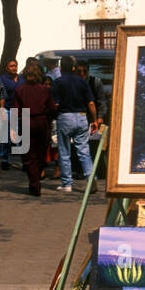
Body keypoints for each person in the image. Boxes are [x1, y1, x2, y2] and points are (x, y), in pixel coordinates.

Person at [50, 54, 96, 192]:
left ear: (61, 68)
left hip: (65, 116)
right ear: (74, 68)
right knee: (84, 151)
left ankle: (67, 184)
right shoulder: (82, 82)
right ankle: (90, 177)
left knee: (64, 151)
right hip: (82, 116)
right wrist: (94, 120)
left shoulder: (58, 82)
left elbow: (56, 104)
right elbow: (91, 103)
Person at [14, 61, 56, 196]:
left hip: (26, 119)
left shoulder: (19, 90)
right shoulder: (45, 90)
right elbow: (51, 108)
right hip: (41, 121)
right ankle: (36, 178)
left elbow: (15, 110)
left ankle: (34, 182)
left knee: (28, 154)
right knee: (41, 153)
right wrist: (48, 120)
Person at [0, 59, 21, 170]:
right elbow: (0, 95)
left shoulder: (21, 79)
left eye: (15, 66)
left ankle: (22, 159)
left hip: (19, 110)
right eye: (11, 66)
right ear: (7, 68)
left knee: (18, 135)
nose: (14, 68)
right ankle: (4, 159)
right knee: (5, 136)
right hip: (7, 109)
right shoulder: (3, 79)